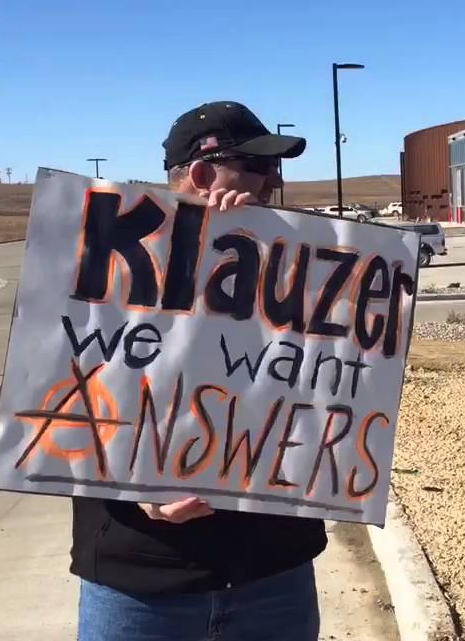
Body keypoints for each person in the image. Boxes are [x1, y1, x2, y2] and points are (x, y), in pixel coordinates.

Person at [70, 101, 323, 641]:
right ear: (205, 172)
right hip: (140, 587)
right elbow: (57, 396)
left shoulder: (289, 263)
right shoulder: (105, 261)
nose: (274, 180)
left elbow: (333, 376)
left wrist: (244, 263)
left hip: (272, 578)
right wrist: (130, 484)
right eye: (258, 167)